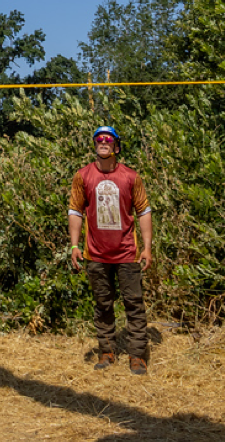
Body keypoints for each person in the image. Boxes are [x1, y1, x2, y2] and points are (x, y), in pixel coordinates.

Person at [69, 125, 153, 376]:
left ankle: (138, 355)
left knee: (134, 304)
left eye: (108, 139)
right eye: (98, 139)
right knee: (103, 304)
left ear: (116, 146)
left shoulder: (131, 177)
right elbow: (75, 211)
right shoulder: (82, 176)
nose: (102, 142)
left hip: (127, 253)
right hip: (95, 254)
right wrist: (74, 245)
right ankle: (106, 351)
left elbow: (144, 212)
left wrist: (147, 248)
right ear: (94, 145)